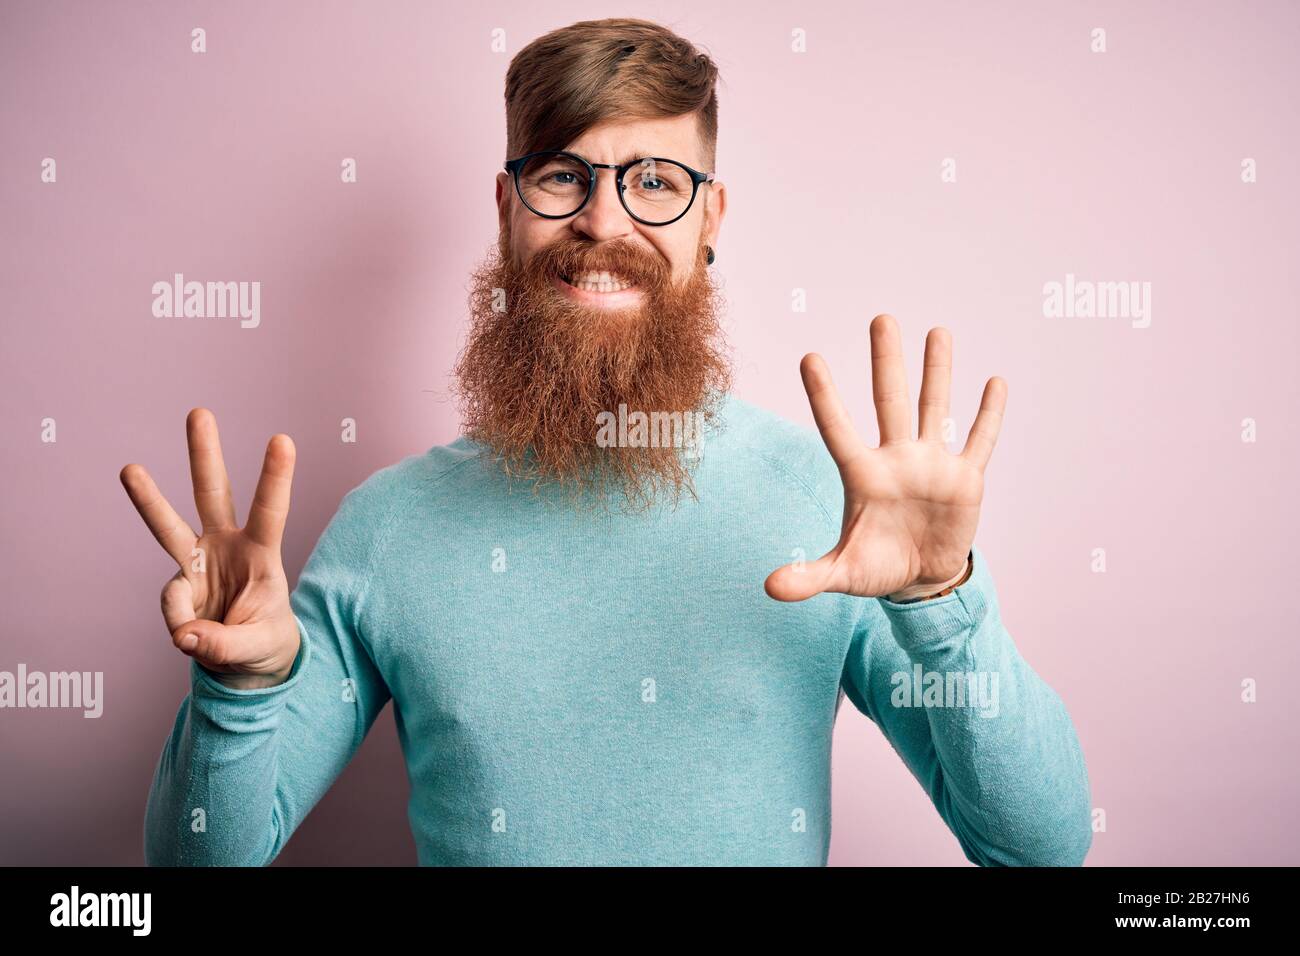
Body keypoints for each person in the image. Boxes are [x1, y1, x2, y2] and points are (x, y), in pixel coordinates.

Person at [121, 17, 1091, 866]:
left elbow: (1039, 843)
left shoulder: (827, 508)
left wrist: (942, 601)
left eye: (656, 180)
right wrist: (239, 691)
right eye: (560, 176)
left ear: (711, 216)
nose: (602, 219)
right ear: (505, 211)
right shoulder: (389, 525)